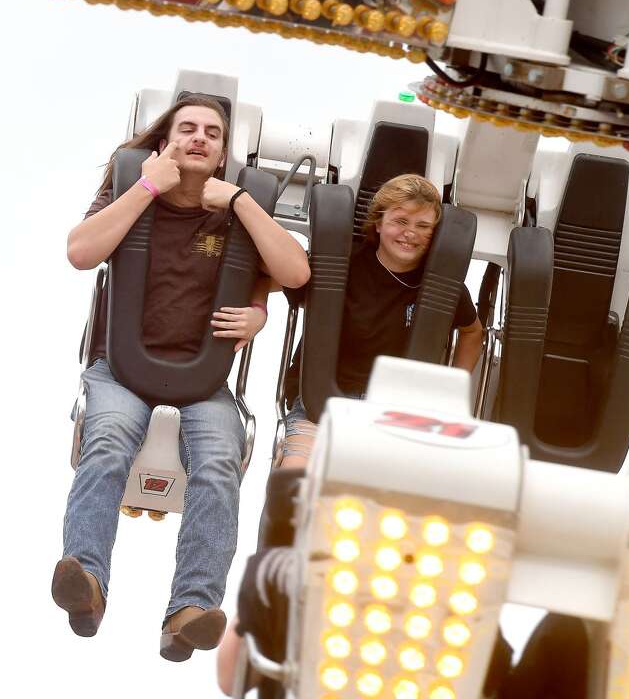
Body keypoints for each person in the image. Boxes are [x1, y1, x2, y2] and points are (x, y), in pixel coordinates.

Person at [55, 96, 311, 662]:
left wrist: (241, 210)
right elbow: (80, 252)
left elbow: (295, 273)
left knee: (219, 465)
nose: (199, 138)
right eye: (187, 129)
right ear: (165, 140)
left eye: (212, 133)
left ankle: (191, 609)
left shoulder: (233, 212)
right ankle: (87, 580)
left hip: (203, 382)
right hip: (120, 369)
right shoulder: (132, 188)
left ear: (223, 153)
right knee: (107, 441)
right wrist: (147, 186)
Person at [275, 173, 484, 469]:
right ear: (378, 222)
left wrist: (450, 392)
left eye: (423, 226)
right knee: (294, 478)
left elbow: (473, 332)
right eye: (401, 221)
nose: (410, 233)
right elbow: (282, 276)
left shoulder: (442, 287)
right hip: (322, 406)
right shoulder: (341, 265)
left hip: (398, 419)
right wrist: (256, 307)